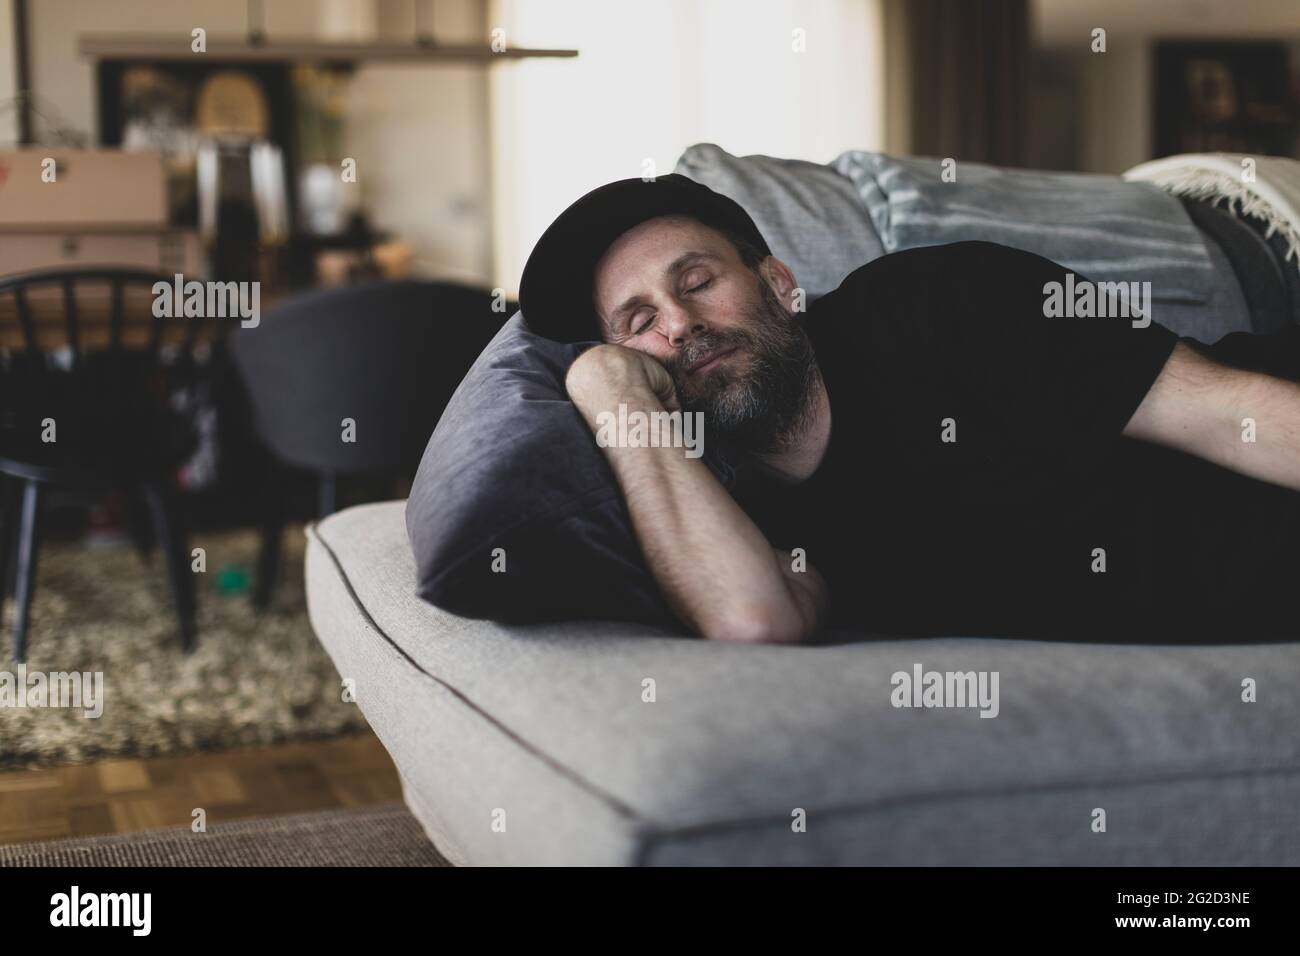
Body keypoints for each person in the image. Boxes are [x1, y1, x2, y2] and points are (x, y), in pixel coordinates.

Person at [518, 174, 1300, 644]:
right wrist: (610, 395)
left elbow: (1228, 411)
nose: (680, 325)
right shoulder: (732, 506)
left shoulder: (942, 303)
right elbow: (753, 622)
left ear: (781, 285)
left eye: (696, 282)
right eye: (638, 323)